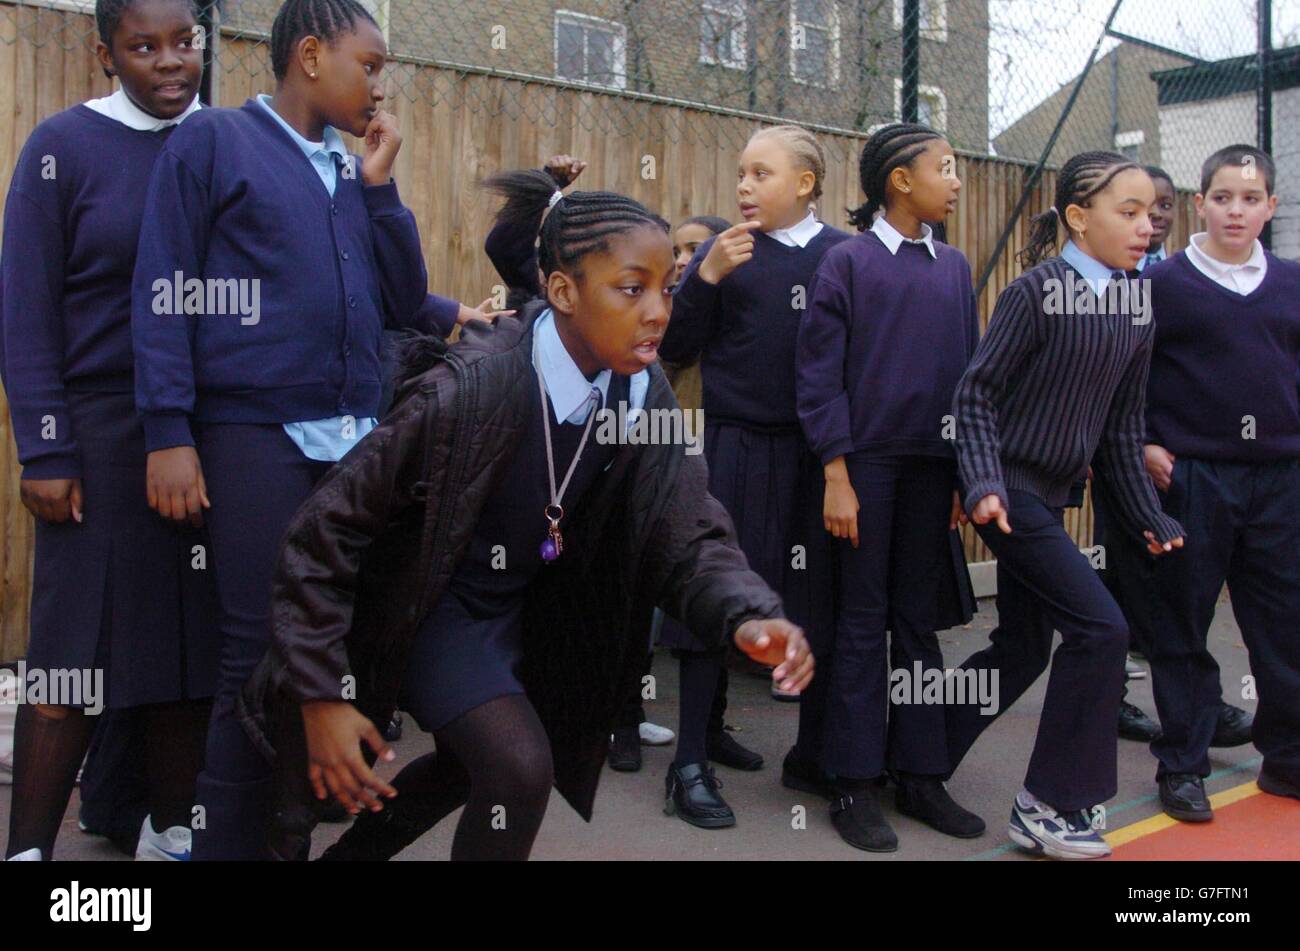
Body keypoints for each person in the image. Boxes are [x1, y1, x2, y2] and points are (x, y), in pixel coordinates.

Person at [235, 175, 814, 861]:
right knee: (516, 766)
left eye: (667, 287)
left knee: (469, 765)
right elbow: (325, 529)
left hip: (532, 611)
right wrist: (322, 692)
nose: (659, 310)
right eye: (632, 289)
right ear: (565, 292)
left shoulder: (642, 391)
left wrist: (746, 612)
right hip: (433, 605)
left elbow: (684, 527)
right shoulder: (472, 385)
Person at [130, 0, 443, 859]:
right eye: (369, 64)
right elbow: (164, 288)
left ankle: (286, 837)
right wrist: (168, 429)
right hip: (251, 434)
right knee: (257, 654)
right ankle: (226, 842)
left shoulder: (347, 170)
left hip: (348, 447)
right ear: (310, 55)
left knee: (323, 655)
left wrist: (380, 189)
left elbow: (403, 300)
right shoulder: (214, 143)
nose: (379, 84)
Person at [1, 0, 216, 862]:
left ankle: (169, 834)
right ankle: (28, 857)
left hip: (204, 440)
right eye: (143, 46)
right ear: (105, 53)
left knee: (185, 651)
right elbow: (26, 308)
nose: (169, 62)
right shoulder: (62, 148)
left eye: (184, 42)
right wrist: (45, 446)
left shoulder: (226, 143)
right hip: (92, 435)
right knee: (69, 656)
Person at [946, 151, 1185, 860]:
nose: (1147, 225)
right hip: (1013, 493)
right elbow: (976, 393)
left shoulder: (1136, 302)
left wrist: (1148, 513)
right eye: (1129, 211)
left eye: (1153, 213)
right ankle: (1050, 803)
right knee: (1101, 629)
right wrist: (981, 480)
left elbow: (1120, 429)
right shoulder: (1037, 291)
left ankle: (915, 747)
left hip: (1051, 496)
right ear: (1079, 218)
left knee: (1021, 644)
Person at [797, 122, 983, 852]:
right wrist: (837, 473)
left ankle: (921, 773)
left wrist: (966, 471)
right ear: (900, 181)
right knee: (859, 619)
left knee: (917, 624)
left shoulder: (955, 267)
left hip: (932, 470)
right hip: (866, 469)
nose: (957, 179)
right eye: (946, 166)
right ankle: (851, 779)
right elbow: (817, 376)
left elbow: (970, 378)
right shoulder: (847, 263)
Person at [656, 125, 850, 829]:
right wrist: (703, 279)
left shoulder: (842, 255)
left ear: (804, 183)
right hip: (736, 446)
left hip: (815, 453)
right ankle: (689, 762)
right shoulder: (722, 254)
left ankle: (813, 753)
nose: (743, 186)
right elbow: (673, 351)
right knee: (716, 595)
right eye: (740, 173)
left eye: (760, 174)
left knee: (812, 597)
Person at [1143, 144, 1300, 820]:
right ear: (1199, 202)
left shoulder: (1292, 283)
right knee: (1183, 622)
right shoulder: (1163, 283)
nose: (1235, 209)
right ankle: (1182, 764)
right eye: (1222, 196)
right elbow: (1128, 377)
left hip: (1280, 477)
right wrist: (1146, 441)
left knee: (1285, 625)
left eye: (1250, 197)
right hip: (1194, 477)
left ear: (1270, 205)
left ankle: (1288, 757)